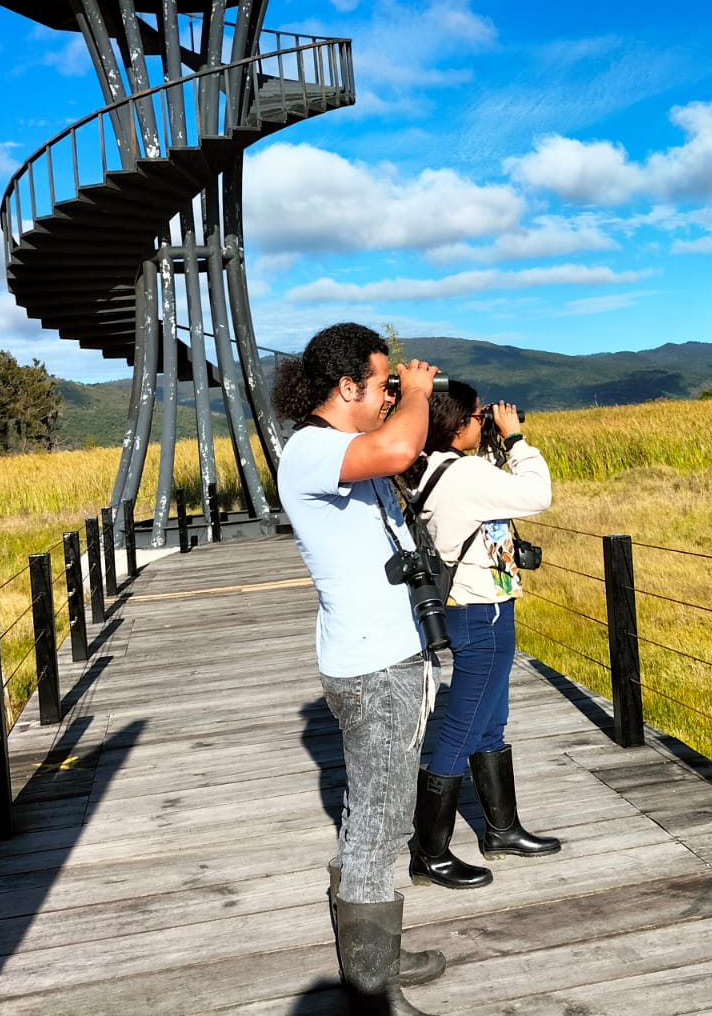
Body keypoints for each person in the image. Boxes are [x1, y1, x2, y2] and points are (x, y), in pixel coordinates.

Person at [273, 323, 445, 1016]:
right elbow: (403, 442)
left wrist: (410, 401)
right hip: (371, 669)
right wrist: (423, 392)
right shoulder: (311, 451)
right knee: (378, 824)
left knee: (380, 813)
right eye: (383, 386)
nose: (391, 398)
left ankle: (381, 958)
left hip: (389, 655)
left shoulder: (346, 452)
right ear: (348, 387)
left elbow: (406, 455)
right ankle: (374, 991)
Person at [402, 380, 560, 891]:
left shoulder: (432, 466)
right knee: (461, 730)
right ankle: (430, 852)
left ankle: (502, 829)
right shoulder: (466, 473)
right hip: (482, 614)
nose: (483, 422)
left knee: (491, 721)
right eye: (477, 417)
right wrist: (515, 440)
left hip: (471, 609)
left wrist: (489, 441)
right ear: (457, 424)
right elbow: (537, 494)